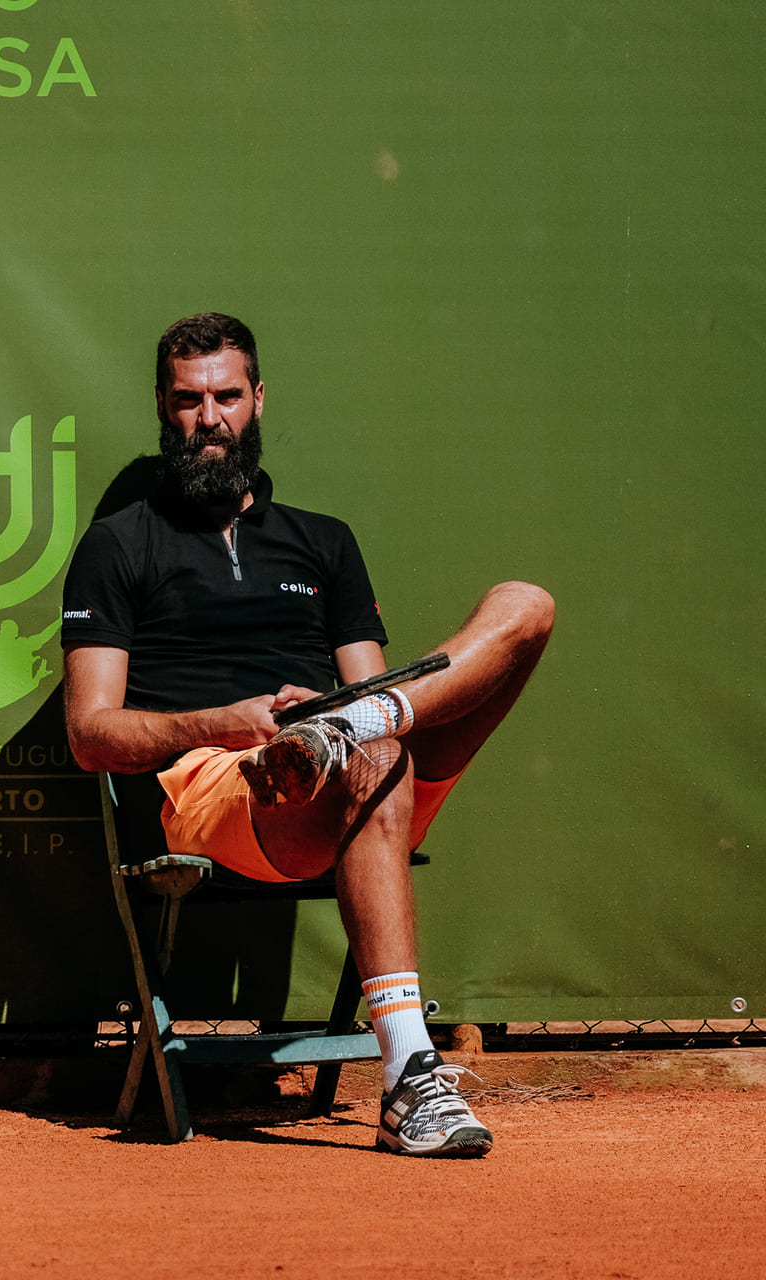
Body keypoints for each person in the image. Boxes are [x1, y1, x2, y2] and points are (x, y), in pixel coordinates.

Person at [60, 312, 554, 1157]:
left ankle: (347, 729)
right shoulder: (117, 545)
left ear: (257, 399)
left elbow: (379, 676)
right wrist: (230, 722)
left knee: (525, 606)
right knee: (375, 747)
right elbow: (91, 734)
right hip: (220, 786)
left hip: (360, 762)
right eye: (188, 401)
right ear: (161, 407)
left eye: (225, 396)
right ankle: (411, 1077)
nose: (208, 418)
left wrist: (342, 714)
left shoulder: (323, 541)